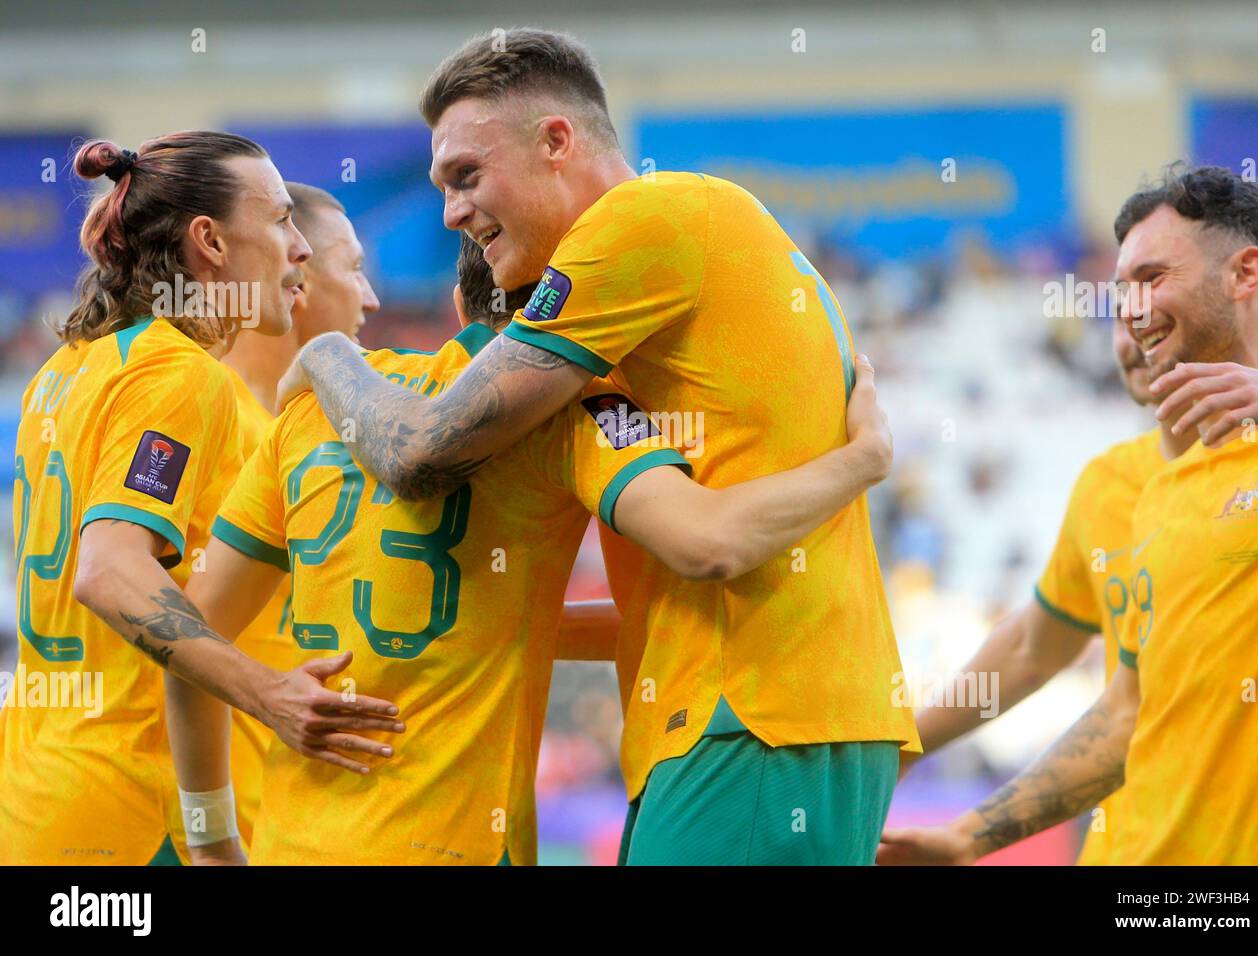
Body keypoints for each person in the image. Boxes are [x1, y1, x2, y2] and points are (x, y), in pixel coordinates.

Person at [280, 27, 918, 865]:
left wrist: (327, 355)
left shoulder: (636, 224)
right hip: (795, 710)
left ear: (556, 142)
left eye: (466, 176)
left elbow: (421, 453)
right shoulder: (703, 235)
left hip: (749, 716)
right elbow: (674, 570)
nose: (451, 213)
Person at [171, 233, 895, 865]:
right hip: (462, 843)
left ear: (460, 304)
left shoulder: (312, 411)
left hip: (294, 843)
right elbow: (709, 539)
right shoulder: (576, 411)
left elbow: (189, 642)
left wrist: (210, 838)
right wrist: (863, 458)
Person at [879, 164, 1258, 865]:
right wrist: (962, 829)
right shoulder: (1162, 488)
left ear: (1245, 274)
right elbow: (1122, 705)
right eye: (1120, 292)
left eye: (1152, 277)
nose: (1130, 314)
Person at [1, 133, 397, 866]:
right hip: (132, 812)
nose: (298, 249)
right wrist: (269, 693)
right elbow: (110, 571)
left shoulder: (66, 368)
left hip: (41, 796)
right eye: (280, 220)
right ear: (209, 241)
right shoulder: (180, 376)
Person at [901, 315, 1163, 865]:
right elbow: (1032, 648)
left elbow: (1134, 712)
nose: (1128, 336)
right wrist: (903, 751)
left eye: (1155, 281)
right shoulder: (1111, 482)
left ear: (1245, 276)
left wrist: (972, 834)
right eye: (1120, 311)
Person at [218, 182, 382, 849]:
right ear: (297, 273)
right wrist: (207, 831)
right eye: (356, 269)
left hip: (289, 822)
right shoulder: (202, 418)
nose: (371, 298)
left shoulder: (300, 431)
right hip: (186, 824)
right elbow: (129, 604)